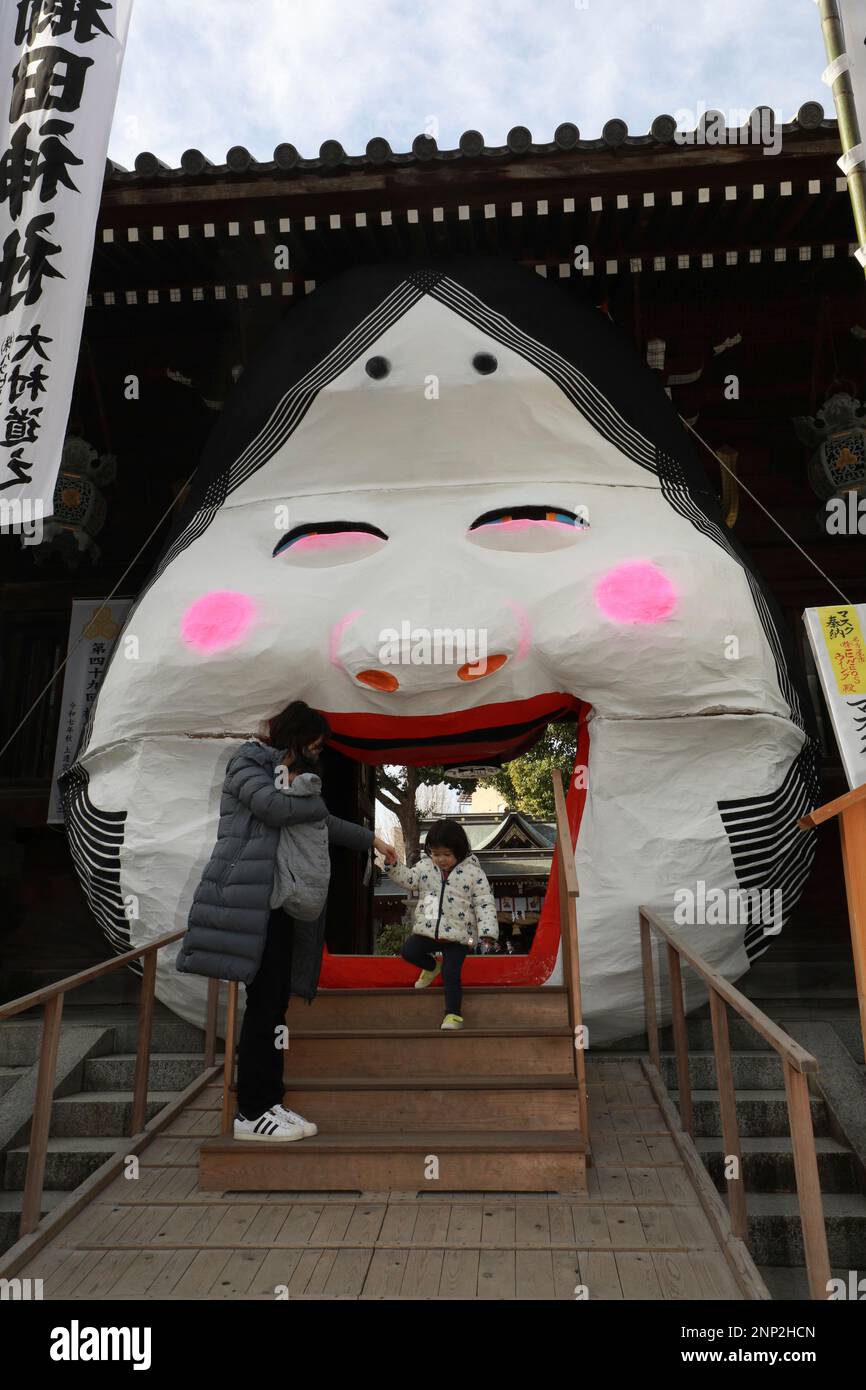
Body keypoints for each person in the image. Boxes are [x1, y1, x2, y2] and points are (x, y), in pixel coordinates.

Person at [176, 699, 394, 1142]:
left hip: (277, 904)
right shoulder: (247, 763)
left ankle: (269, 1101)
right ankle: (250, 1113)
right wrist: (308, 794)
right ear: (294, 735)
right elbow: (273, 808)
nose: (316, 752)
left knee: (274, 1004)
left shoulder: (294, 781)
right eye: (312, 744)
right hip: (250, 903)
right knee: (262, 1006)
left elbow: (321, 822)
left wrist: (372, 839)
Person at [381, 820, 499, 1028]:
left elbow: (484, 902)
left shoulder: (474, 873)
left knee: (451, 974)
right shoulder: (426, 866)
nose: (441, 859)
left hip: (458, 935)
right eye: (436, 854)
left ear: (459, 851)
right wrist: (392, 865)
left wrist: (487, 931)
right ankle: (431, 966)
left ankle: (453, 1015)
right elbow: (408, 879)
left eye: (446, 854)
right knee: (409, 951)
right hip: (430, 928)